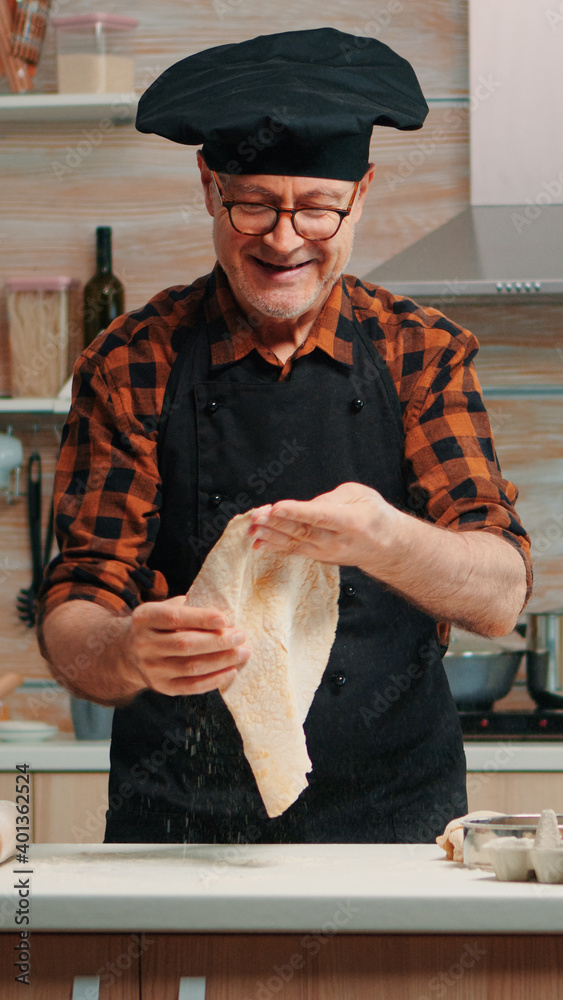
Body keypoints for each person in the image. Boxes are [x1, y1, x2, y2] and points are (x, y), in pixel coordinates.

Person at [37, 28, 531, 845]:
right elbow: (76, 606)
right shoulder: (132, 361)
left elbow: (499, 593)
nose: (284, 238)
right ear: (209, 186)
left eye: (317, 207)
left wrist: (383, 539)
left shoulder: (420, 352)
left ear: (360, 194)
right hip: (179, 835)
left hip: (394, 831)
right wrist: (125, 650)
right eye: (255, 204)